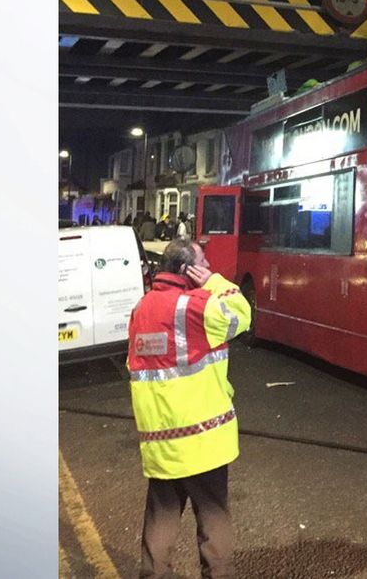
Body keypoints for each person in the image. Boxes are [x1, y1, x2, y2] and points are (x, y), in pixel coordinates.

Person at [127, 238, 252, 579]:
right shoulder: (196, 306)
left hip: (161, 441)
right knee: (213, 518)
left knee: (161, 516)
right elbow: (242, 315)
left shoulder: (141, 309)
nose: (208, 266)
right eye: (203, 262)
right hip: (203, 439)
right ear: (188, 270)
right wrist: (214, 283)